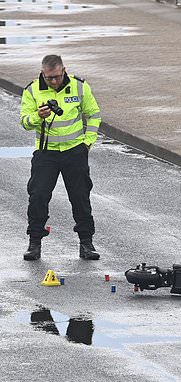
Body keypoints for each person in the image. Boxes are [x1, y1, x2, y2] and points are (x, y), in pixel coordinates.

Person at [19, 55, 101, 260]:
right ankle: (34, 243)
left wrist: (87, 143)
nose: (53, 81)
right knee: (38, 196)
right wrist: (39, 116)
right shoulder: (32, 90)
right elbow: (25, 122)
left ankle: (86, 243)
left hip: (75, 151)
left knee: (80, 197)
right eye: (49, 78)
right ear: (42, 73)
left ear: (64, 70)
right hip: (46, 153)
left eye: (56, 76)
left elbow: (93, 114)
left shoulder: (79, 86)